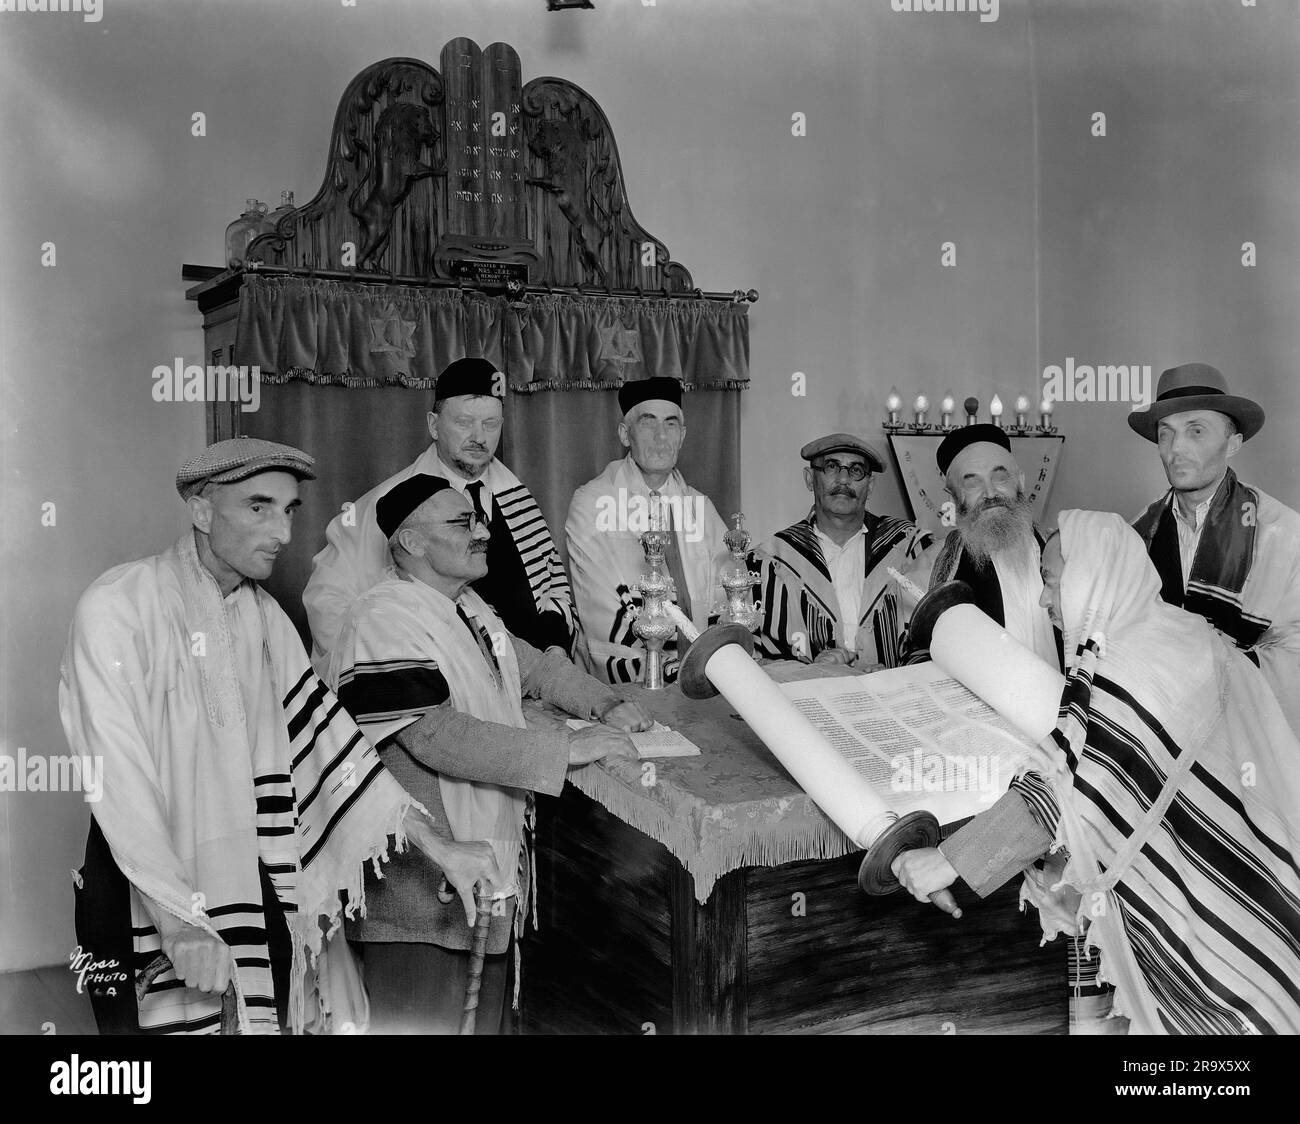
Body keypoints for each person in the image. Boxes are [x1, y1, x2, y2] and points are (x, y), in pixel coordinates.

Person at [59, 439, 499, 1035]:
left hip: (253, 878)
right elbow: (117, 777)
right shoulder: (118, 606)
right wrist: (180, 923)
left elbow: (329, 750)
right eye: (259, 507)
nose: (283, 532)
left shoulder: (266, 619)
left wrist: (435, 844)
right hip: (136, 888)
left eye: (289, 510)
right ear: (203, 511)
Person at [893, 510, 1300, 1034]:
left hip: (1236, 917)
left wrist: (949, 860)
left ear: (1094, 578)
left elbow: (1071, 792)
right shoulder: (1164, 635)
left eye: (1053, 582)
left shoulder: (1140, 661)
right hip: (1242, 905)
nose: (1044, 600)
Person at [330, 474, 651, 1033]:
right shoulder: (380, 619)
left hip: (485, 877)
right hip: (419, 901)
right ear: (410, 542)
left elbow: (535, 666)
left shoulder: (470, 609)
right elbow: (434, 735)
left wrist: (604, 702)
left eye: (479, 520)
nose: (482, 531)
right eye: (462, 522)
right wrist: (564, 748)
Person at [304, 356, 576, 672]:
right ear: (434, 425)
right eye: (464, 422)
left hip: (536, 680)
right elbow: (327, 602)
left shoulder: (517, 498)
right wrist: (399, 671)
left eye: (491, 424)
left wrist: (555, 650)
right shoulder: (386, 508)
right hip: (446, 689)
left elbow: (553, 585)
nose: (479, 437)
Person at [1128, 363, 1300, 736]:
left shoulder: (1280, 533)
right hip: (1159, 732)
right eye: (1166, 434)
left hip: (1251, 733)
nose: (1176, 449)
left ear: (1233, 443)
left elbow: (1293, 655)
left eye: (1196, 431)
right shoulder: (1142, 530)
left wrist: (1206, 667)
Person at [565, 375, 729, 683]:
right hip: (629, 674)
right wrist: (664, 667)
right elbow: (602, 605)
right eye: (647, 423)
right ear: (625, 435)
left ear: (682, 436)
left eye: (670, 424)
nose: (661, 437)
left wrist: (710, 661)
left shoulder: (700, 507)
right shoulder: (594, 502)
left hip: (701, 672)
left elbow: (726, 595)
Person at [755, 433, 930, 669]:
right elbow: (752, 658)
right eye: (831, 467)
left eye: (856, 470)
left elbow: (936, 640)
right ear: (809, 479)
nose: (844, 480)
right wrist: (814, 672)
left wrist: (892, 675)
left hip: (894, 698)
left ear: (870, 485)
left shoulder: (911, 547)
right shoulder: (770, 560)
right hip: (807, 700)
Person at [900, 424, 1059, 668]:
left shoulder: (1062, 553)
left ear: (1021, 481)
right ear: (953, 496)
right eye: (972, 483)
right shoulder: (931, 570)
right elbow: (916, 656)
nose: (990, 493)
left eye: (1000, 477)